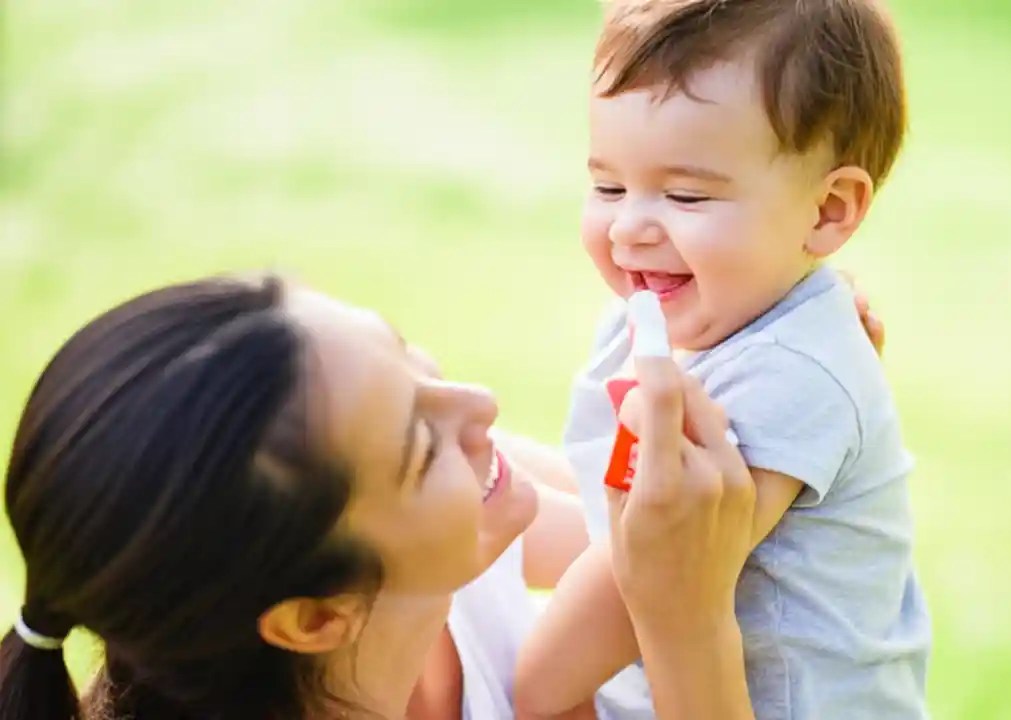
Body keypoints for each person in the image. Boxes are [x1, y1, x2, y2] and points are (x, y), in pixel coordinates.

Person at [0, 274, 775, 719]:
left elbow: (676, 526)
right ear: (316, 617)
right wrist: (688, 633)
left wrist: (772, 356)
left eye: (403, 351)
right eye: (419, 446)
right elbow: (672, 579)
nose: (478, 406)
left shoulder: (458, 536)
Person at [514, 1, 930, 718]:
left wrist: (522, 688)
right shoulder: (655, 318)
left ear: (828, 211)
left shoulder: (795, 374)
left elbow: (646, 576)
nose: (630, 228)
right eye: (608, 186)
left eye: (685, 194)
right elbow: (598, 528)